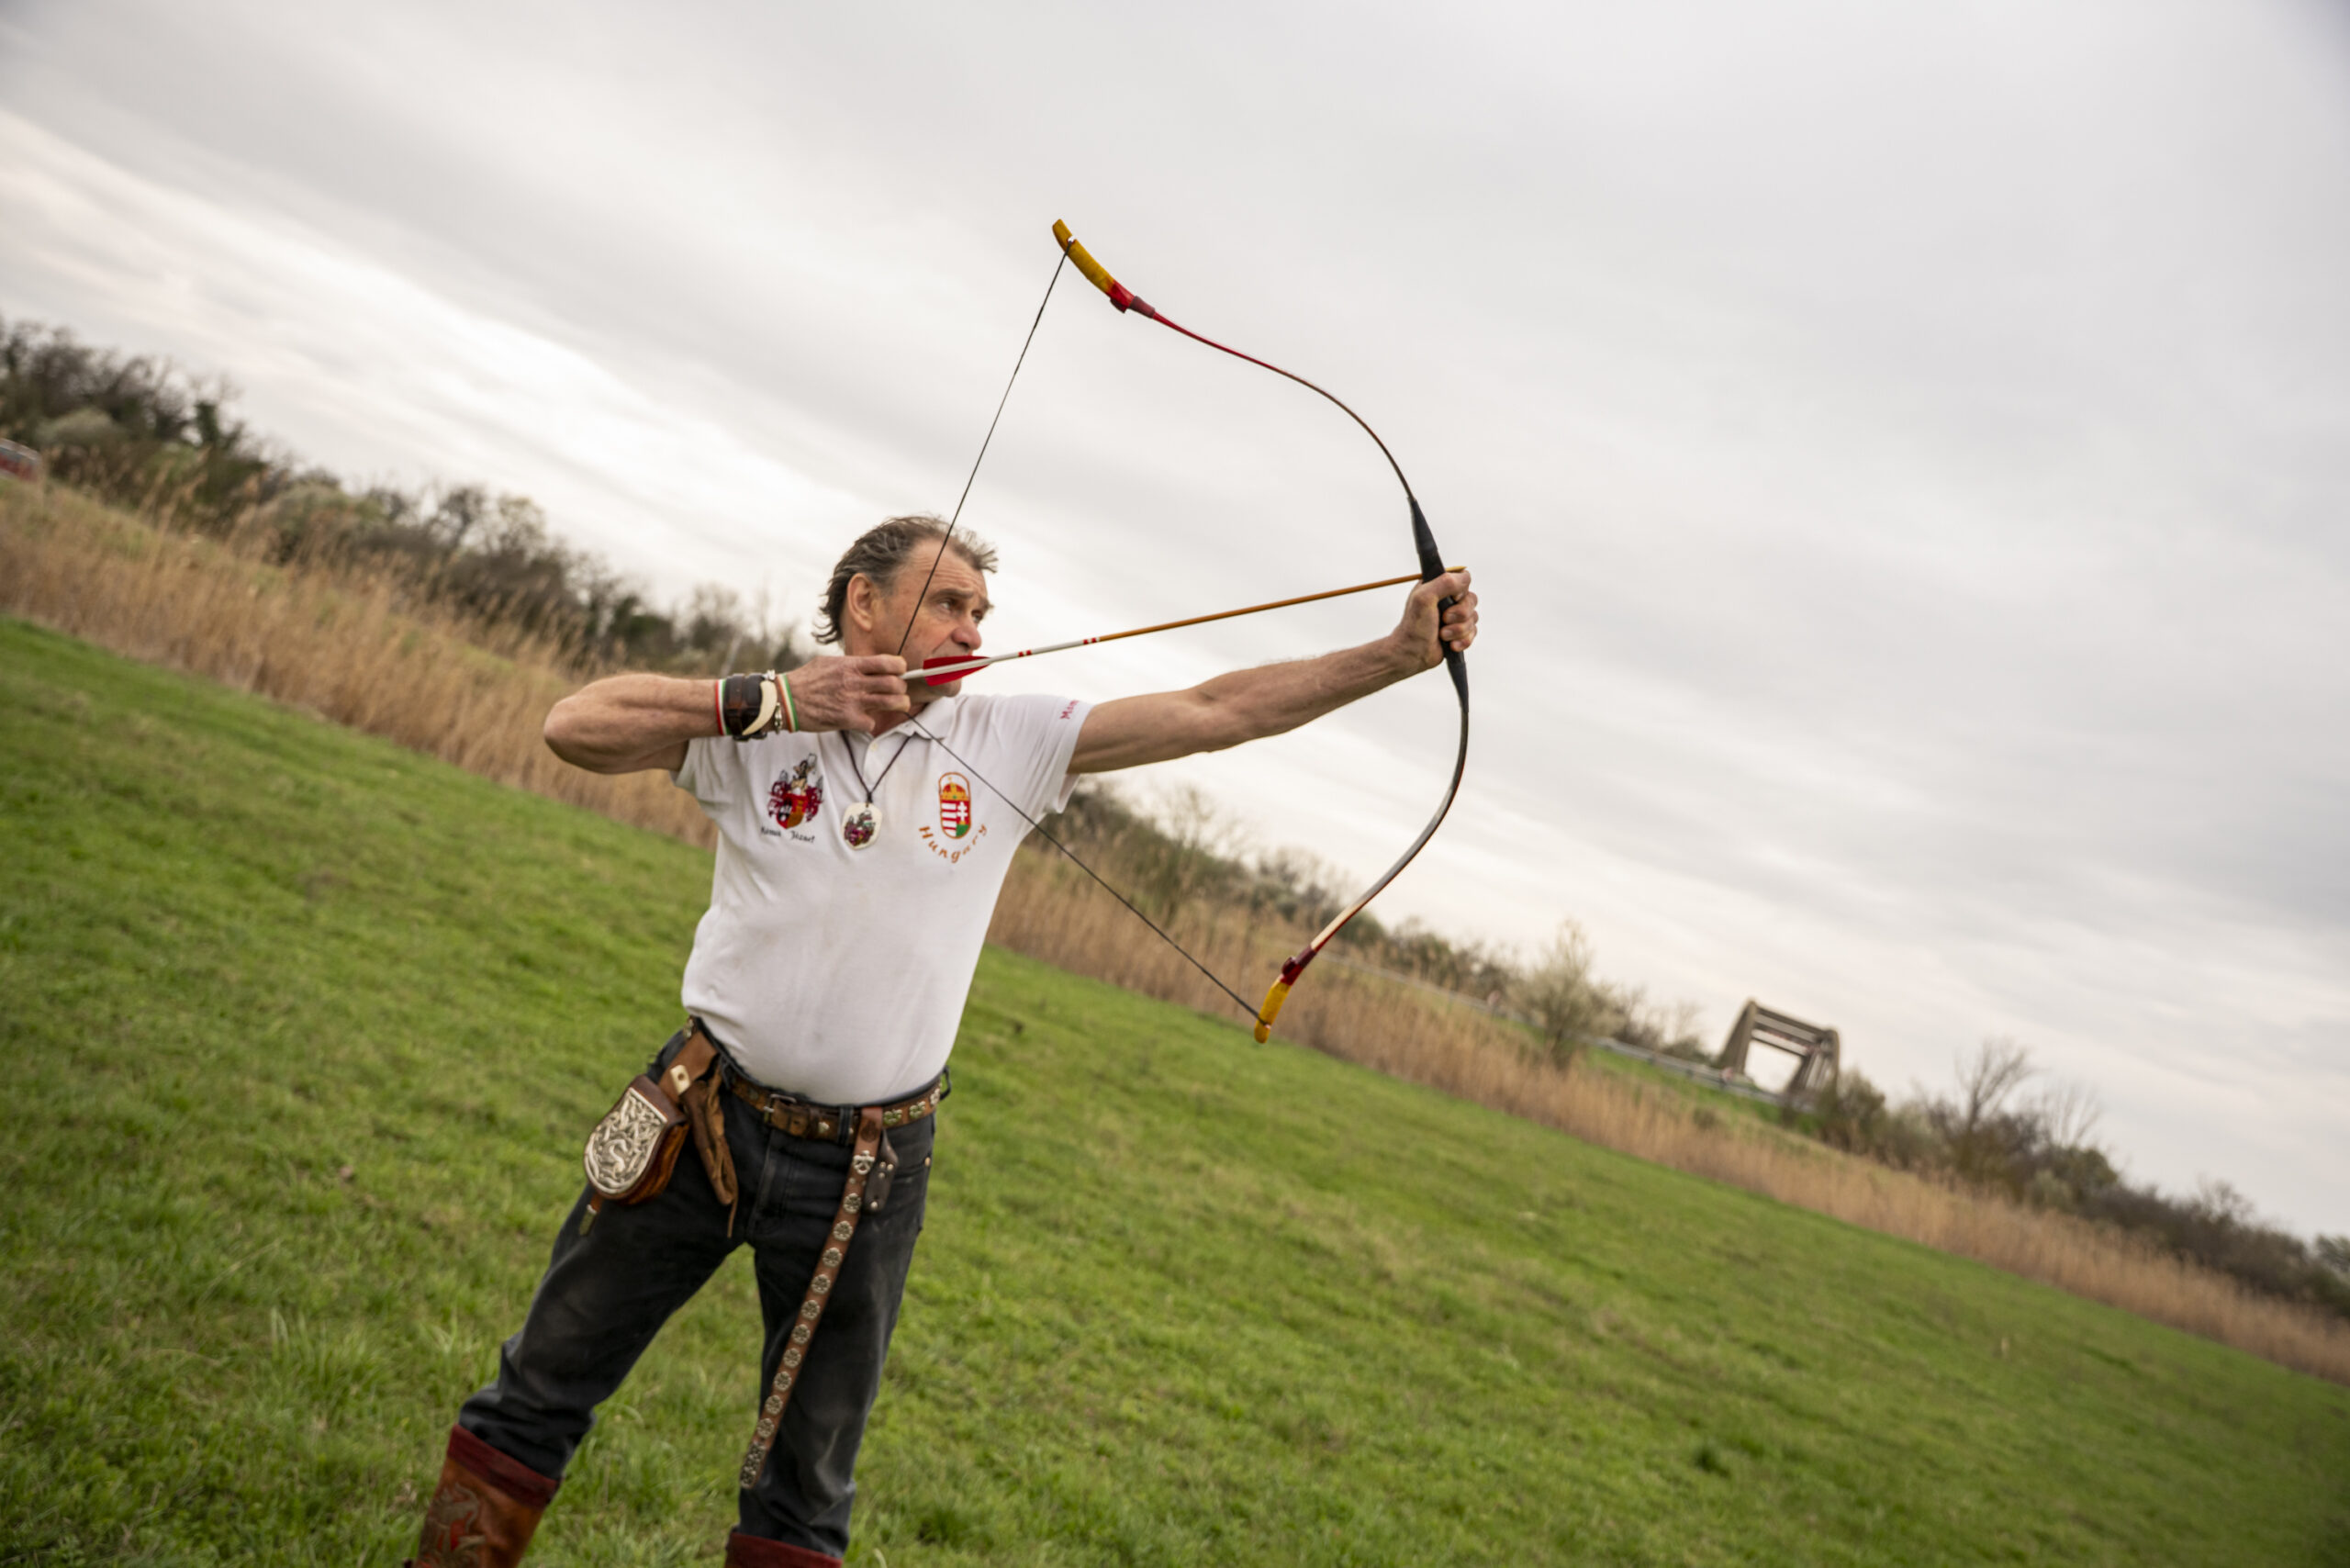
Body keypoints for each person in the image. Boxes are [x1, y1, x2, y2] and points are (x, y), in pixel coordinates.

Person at [405, 513, 1478, 1567]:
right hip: (703, 1121)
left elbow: (1214, 707)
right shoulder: (760, 724)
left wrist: (1393, 656)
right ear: (862, 604)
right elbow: (574, 724)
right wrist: (776, 699)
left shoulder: (1006, 736)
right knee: (540, 1386)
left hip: (865, 1167)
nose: (972, 625)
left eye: (981, 609)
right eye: (948, 602)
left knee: (806, 1486)